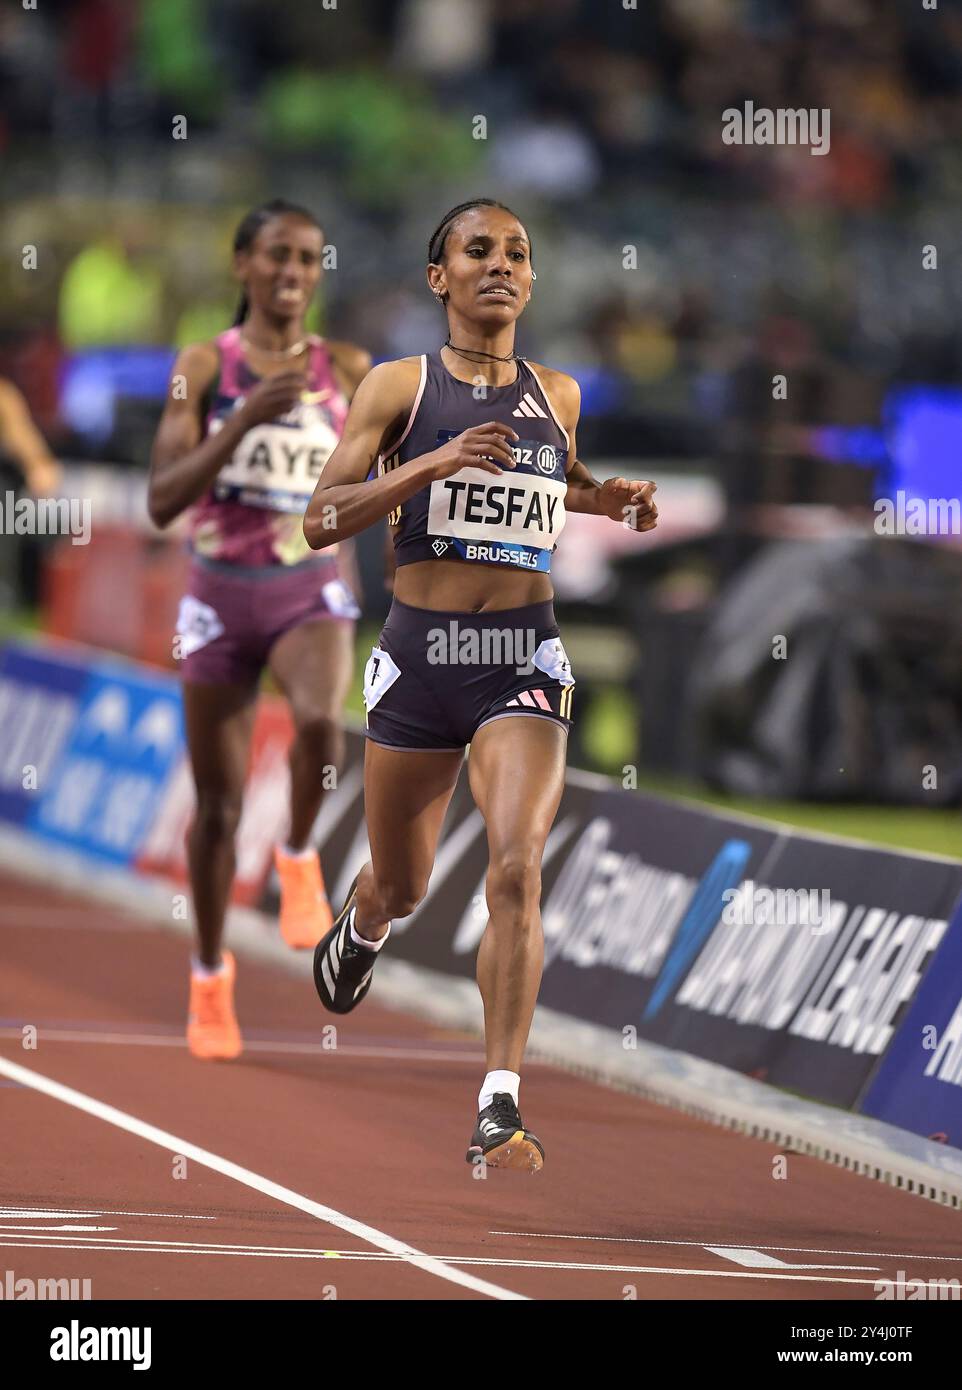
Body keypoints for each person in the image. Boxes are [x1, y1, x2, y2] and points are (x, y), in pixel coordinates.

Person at [303, 199, 657, 1167]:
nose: (499, 265)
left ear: (532, 281)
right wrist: (429, 463)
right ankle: (365, 916)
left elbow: (557, 471)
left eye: (516, 253)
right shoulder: (396, 387)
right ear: (439, 278)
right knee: (407, 882)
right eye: (477, 250)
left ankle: (498, 1098)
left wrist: (604, 494)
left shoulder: (559, 391)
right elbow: (320, 517)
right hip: (421, 660)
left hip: (520, 659)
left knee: (514, 866)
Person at [148, 199, 370, 1061]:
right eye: (278, 256)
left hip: (307, 586)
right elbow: (163, 499)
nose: (293, 274)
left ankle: (300, 852)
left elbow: (390, 465)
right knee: (218, 806)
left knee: (320, 722)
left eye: (310, 259)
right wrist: (240, 420)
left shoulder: (346, 367)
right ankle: (209, 976)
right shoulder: (202, 366)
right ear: (243, 263)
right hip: (218, 596)